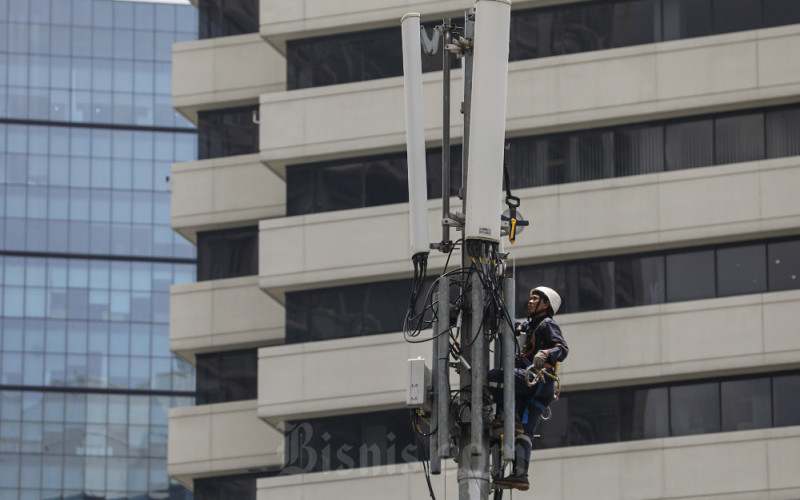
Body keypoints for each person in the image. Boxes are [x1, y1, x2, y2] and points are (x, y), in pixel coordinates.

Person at [489, 286, 568, 491]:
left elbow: (562, 348)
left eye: (535, 299)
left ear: (545, 304)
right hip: (539, 390)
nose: (530, 302)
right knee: (524, 432)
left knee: (494, 377)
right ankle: (520, 475)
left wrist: (547, 354)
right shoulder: (532, 326)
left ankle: (506, 418)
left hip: (537, 379)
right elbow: (512, 325)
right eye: (531, 298)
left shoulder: (547, 324)